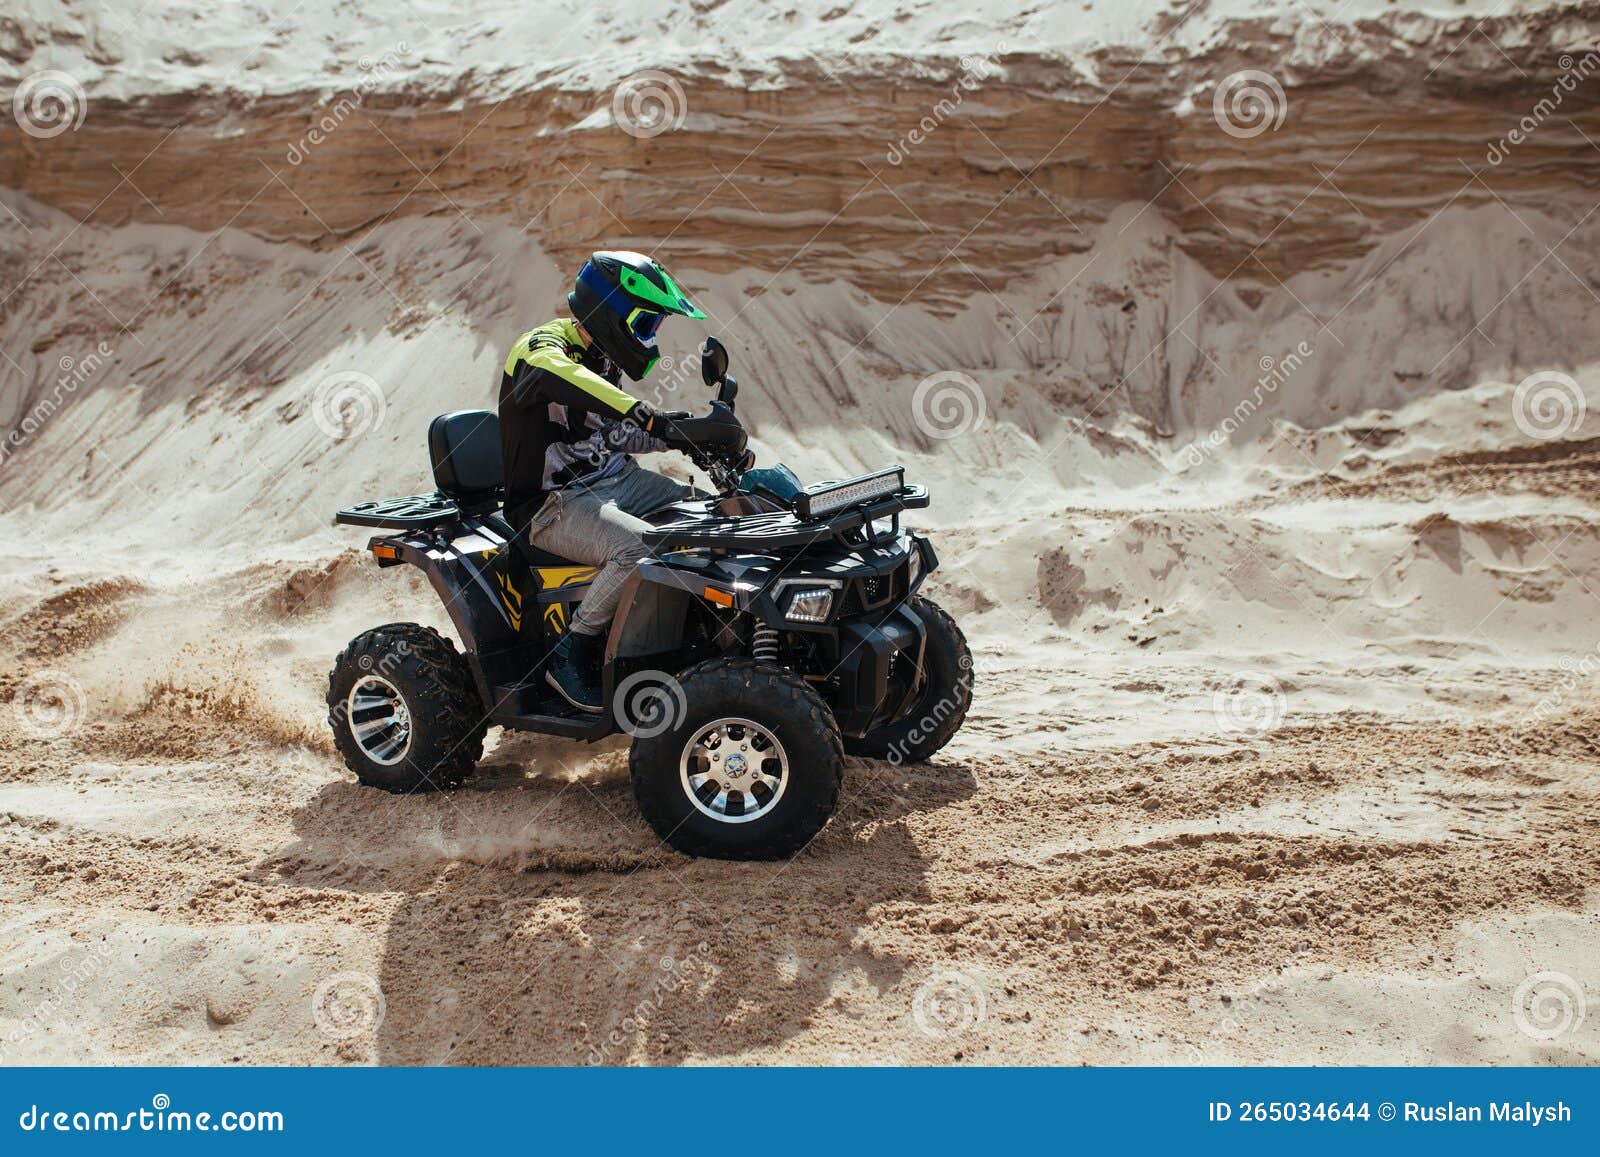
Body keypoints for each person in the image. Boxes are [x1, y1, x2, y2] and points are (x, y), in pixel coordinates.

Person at [498, 250, 706, 713]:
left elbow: (613, 433)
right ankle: (571, 650)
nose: (649, 336)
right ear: (612, 310)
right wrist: (644, 414)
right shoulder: (541, 347)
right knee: (638, 548)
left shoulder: (605, 359)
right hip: (552, 504)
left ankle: (691, 638)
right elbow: (557, 373)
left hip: (617, 480)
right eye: (645, 324)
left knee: (710, 520)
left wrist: (682, 434)